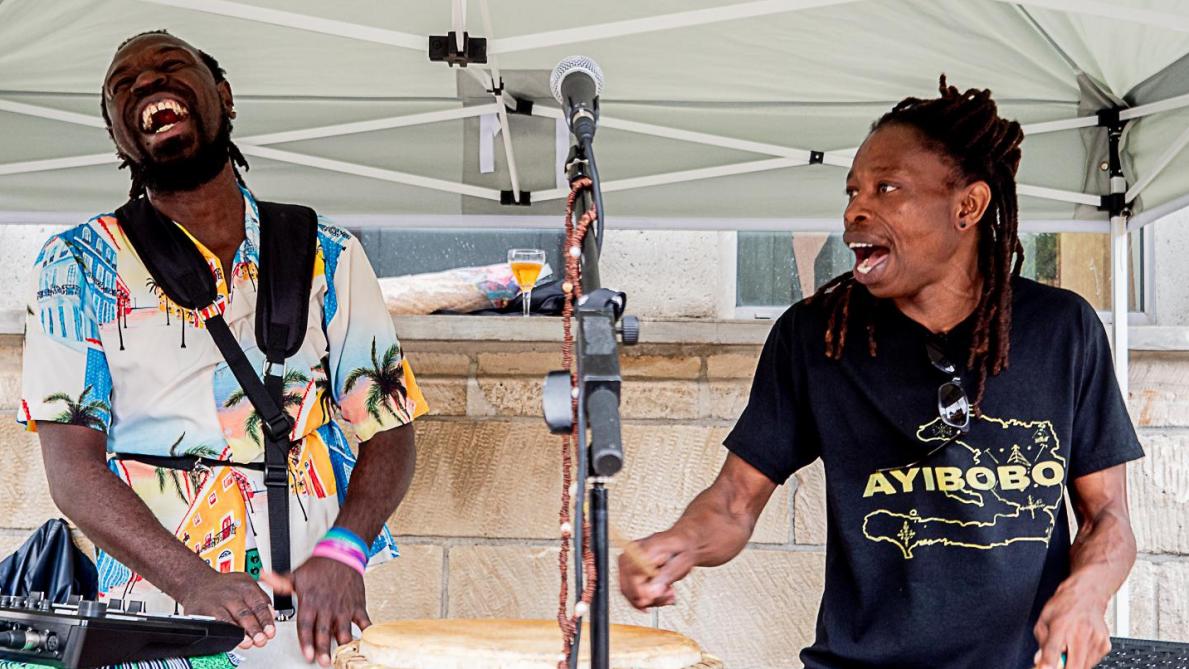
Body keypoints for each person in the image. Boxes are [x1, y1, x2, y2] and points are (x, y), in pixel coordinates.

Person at [619, 78, 1144, 669]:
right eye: (852, 191)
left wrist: (1088, 592)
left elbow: (1109, 518)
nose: (854, 212)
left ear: (967, 206)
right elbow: (734, 503)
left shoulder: (1062, 331)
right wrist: (680, 543)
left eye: (886, 188)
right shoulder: (813, 337)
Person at [18, 30, 427, 667]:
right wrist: (193, 583)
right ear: (120, 140)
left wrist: (347, 549)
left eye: (169, 66)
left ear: (224, 98)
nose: (146, 83)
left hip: (315, 609)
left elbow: (389, 429)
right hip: (162, 614)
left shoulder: (330, 252)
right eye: (122, 87)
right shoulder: (77, 264)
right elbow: (72, 472)